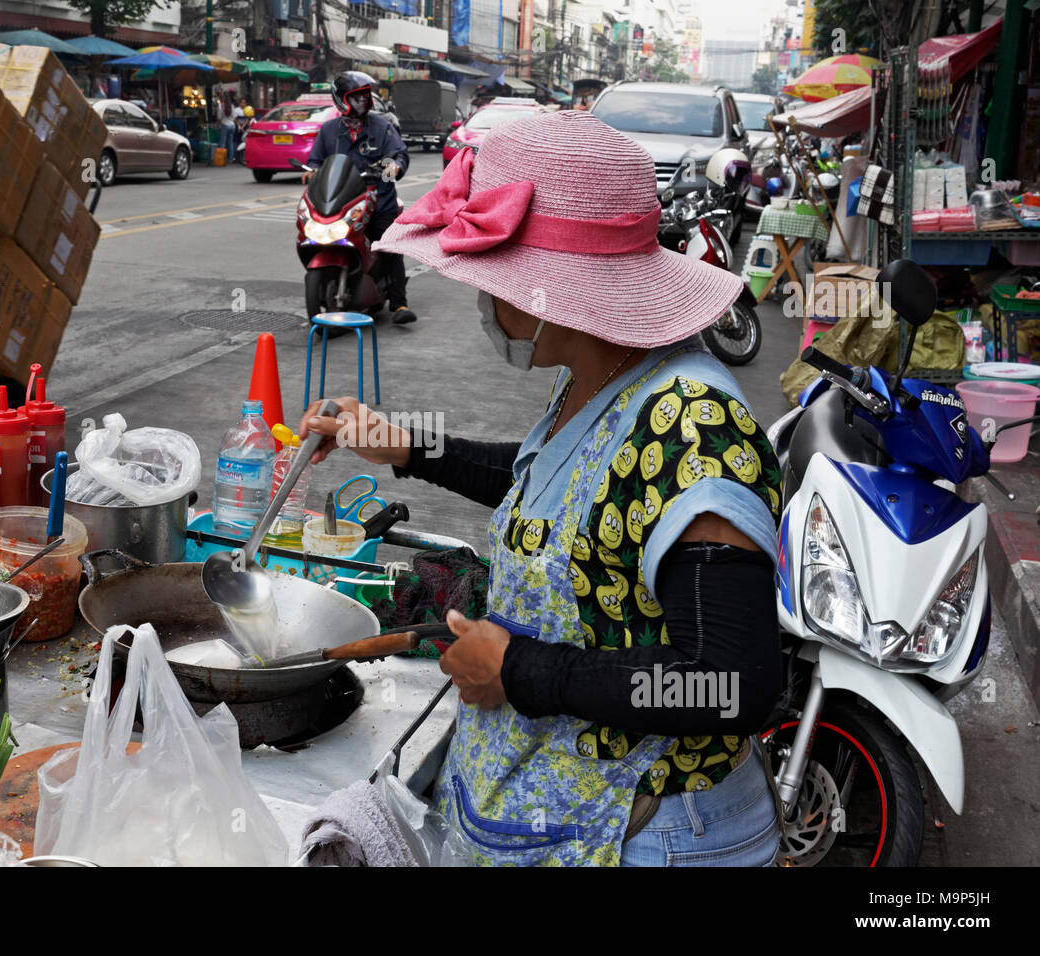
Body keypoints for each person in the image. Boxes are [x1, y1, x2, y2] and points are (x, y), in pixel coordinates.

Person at [300, 109, 784, 867]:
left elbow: (732, 684)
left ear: (546, 290)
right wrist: (404, 444)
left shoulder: (696, 428)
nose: (482, 301)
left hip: (654, 835)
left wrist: (521, 671)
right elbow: (565, 500)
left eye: (490, 280)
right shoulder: (600, 377)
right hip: (568, 810)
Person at [303, 71, 417, 324]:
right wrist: (311, 172)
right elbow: (315, 161)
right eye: (356, 97)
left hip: (379, 200)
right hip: (341, 199)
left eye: (365, 97)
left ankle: (399, 303)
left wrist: (394, 167)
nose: (363, 102)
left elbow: (399, 153)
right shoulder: (329, 130)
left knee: (388, 245)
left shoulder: (382, 126)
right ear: (342, 99)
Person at [217, 91, 237, 165]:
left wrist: (218, 125)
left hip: (224, 125)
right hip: (232, 126)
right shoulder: (232, 106)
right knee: (230, 143)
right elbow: (234, 117)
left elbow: (219, 117)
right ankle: (231, 159)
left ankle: (221, 160)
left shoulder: (221, 106)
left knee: (223, 143)